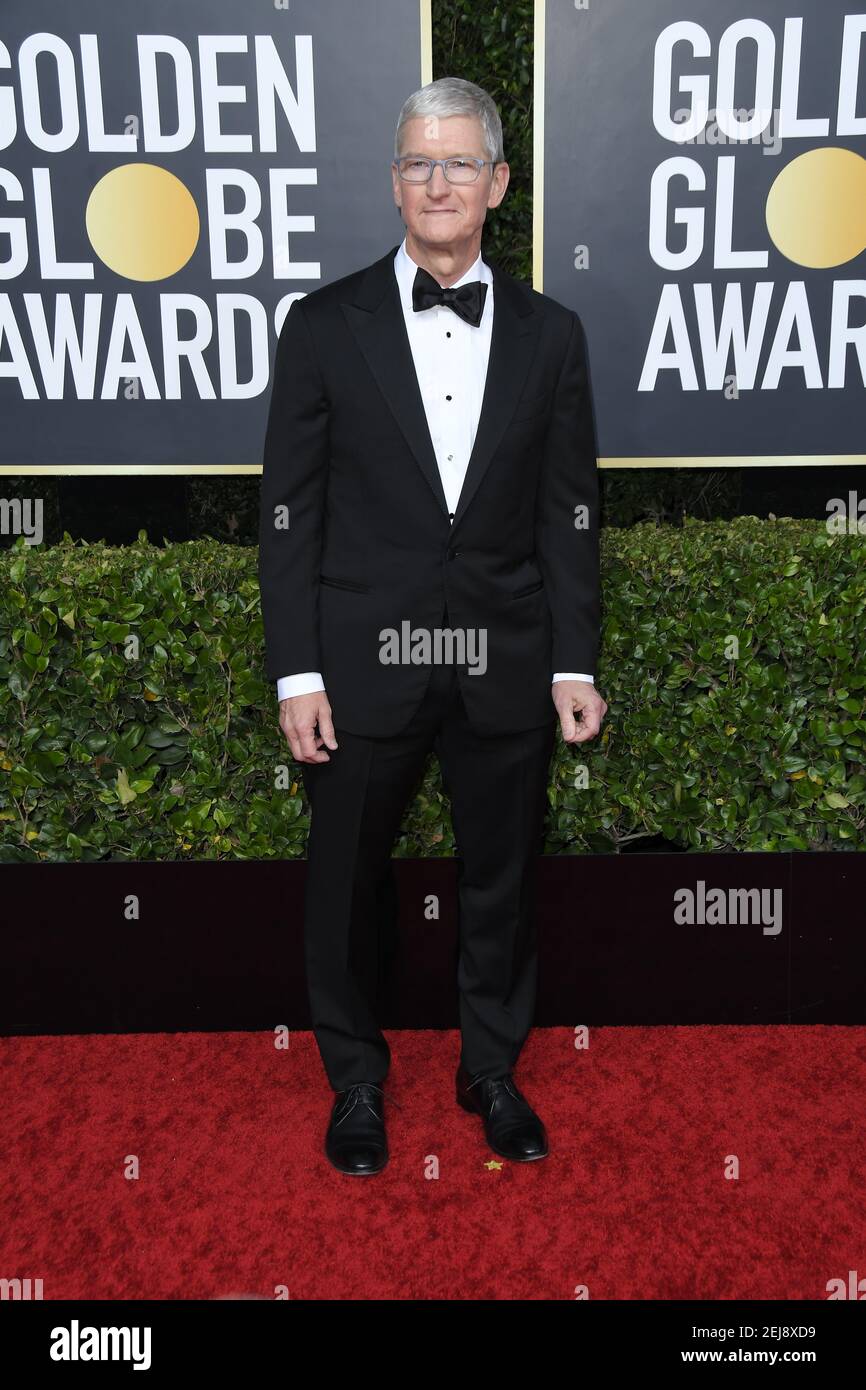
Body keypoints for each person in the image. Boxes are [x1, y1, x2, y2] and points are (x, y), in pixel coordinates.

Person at [258, 76, 606, 1176]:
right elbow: (288, 516)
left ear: (498, 183)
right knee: (343, 878)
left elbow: (568, 510)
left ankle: (489, 1069)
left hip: (503, 653)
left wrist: (571, 657)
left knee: (500, 872)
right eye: (418, 161)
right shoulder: (321, 326)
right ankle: (355, 1079)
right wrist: (295, 672)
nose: (438, 181)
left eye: (460, 162)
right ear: (393, 181)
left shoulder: (553, 335)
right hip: (362, 661)